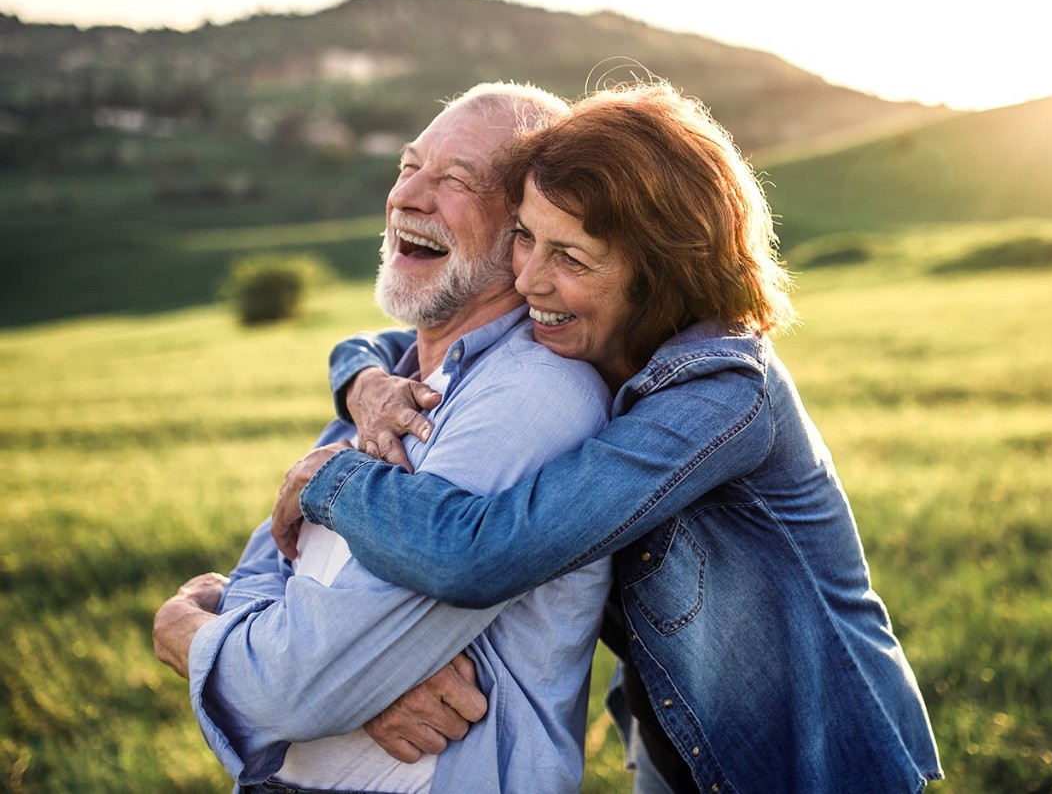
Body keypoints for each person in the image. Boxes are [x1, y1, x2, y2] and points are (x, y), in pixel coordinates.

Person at [273, 80, 944, 793]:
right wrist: (365, 385)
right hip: (675, 740)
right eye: (527, 237)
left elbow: (483, 553)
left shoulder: (723, 397)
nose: (528, 278)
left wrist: (330, 479)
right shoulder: (597, 337)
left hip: (807, 761)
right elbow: (381, 342)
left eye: (571, 258)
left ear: (658, 274)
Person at [152, 82, 616, 793]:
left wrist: (183, 630)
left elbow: (293, 686)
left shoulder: (532, 396)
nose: (409, 197)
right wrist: (353, 678)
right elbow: (265, 578)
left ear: (523, 232)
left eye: (456, 180)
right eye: (408, 167)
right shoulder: (384, 389)